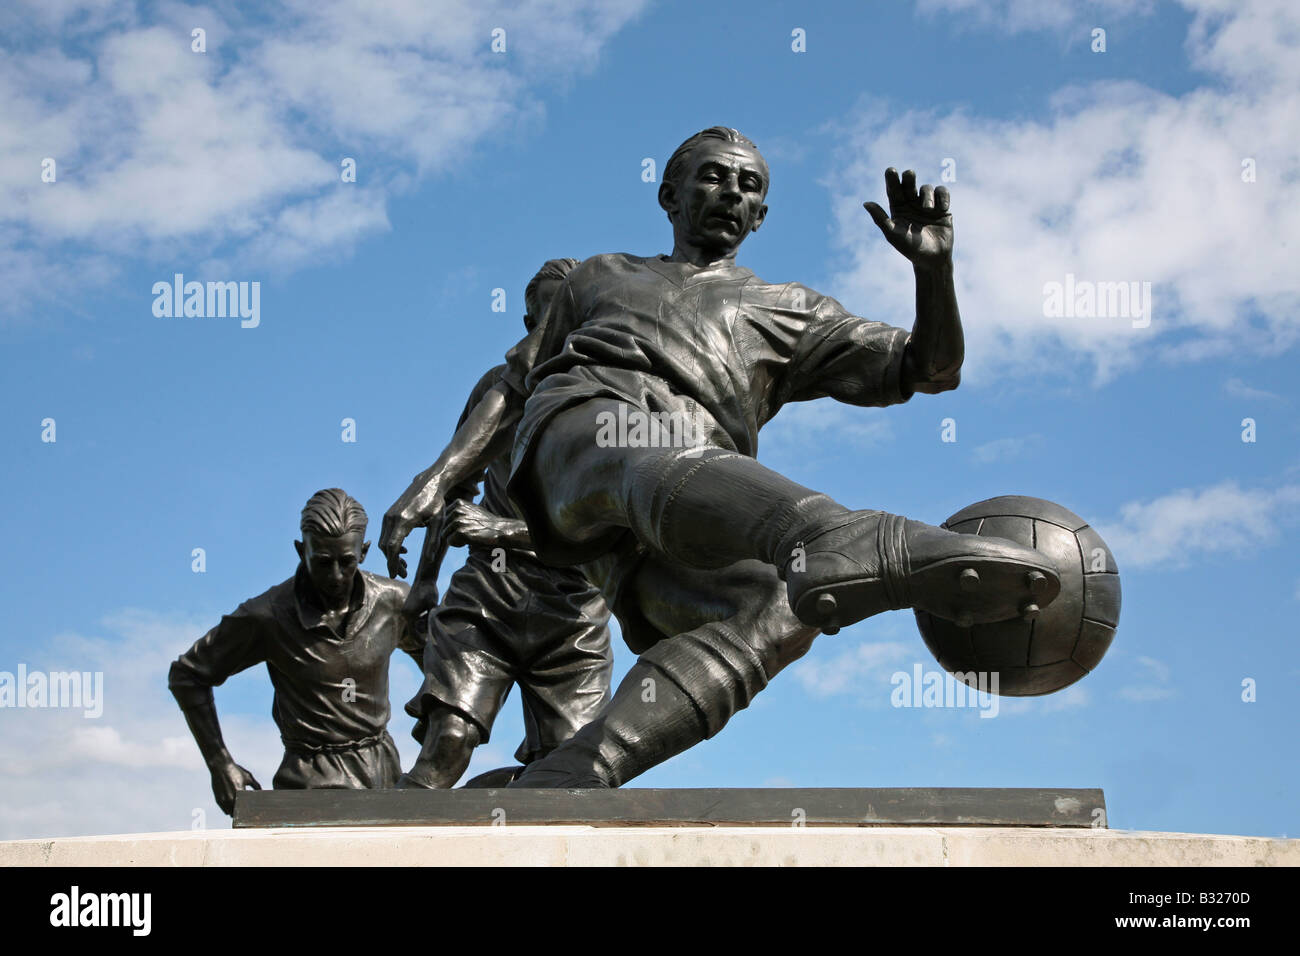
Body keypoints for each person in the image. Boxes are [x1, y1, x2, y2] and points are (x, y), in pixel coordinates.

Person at [381, 128, 1060, 789]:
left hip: (670, 513)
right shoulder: (600, 277)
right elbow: (514, 386)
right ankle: (841, 533)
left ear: (761, 215)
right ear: (668, 195)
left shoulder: (786, 310)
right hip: (578, 445)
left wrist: (933, 270)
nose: (731, 192)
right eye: (712, 175)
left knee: (775, 602)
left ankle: (578, 773)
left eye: (749, 186)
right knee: (638, 440)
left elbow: (932, 368)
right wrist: (436, 481)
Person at [397, 260, 614, 789]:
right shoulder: (495, 391)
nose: (555, 334)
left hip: (574, 616)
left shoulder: (614, 403)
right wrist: (425, 579)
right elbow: (452, 486)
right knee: (445, 748)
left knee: (569, 778)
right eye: (545, 321)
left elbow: (611, 532)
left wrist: (500, 531)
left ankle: (494, 806)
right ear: (527, 325)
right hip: (488, 597)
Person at [169, 488, 423, 813]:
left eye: (346, 562)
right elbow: (188, 676)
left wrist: (432, 716)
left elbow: (440, 663)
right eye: (322, 562)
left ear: (364, 552)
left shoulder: (394, 602)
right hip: (309, 788)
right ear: (301, 551)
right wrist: (220, 763)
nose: (335, 577)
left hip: (385, 778)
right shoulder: (268, 615)